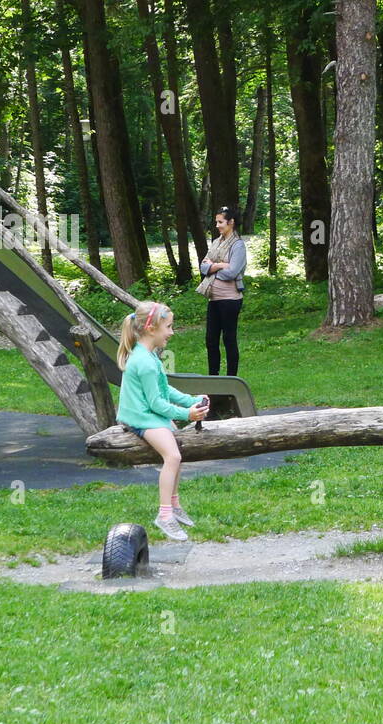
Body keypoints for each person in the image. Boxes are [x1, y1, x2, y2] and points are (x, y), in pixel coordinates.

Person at [116, 301, 209, 541]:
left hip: (149, 412)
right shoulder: (144, 362)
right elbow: (157, 404)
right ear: (151, 329)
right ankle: (164, 514)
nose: (171, 332)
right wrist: (188, 414)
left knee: (177, 452)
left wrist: (191, 400)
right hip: (140, 417)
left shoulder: (150, 356)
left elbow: (164, 390)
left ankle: (174, 503)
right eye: (168, 327)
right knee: (173, 456)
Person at [200, 206, 247, 376]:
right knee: (211, 340)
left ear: (231, 222)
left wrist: (211, 268)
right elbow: (202, 267)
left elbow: (232, 272)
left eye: (220, 222)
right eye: (216, 222)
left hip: (230, 300)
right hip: (214, 299)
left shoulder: (238, 245)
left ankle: (231, 379)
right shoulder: (216, 243)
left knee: (229, 339)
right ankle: (214, 378)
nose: (217, 225)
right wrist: (219, 265)